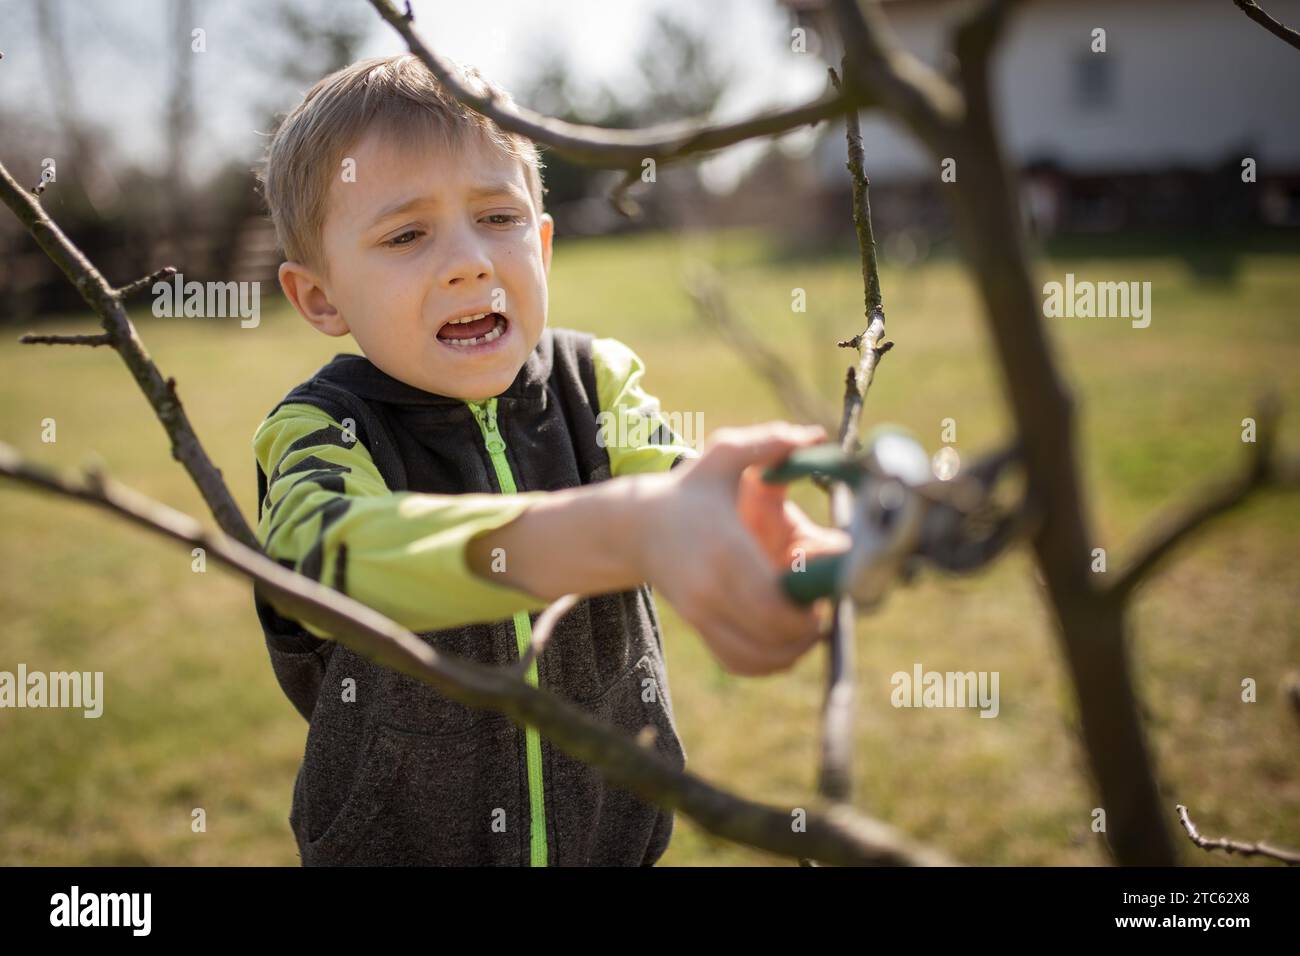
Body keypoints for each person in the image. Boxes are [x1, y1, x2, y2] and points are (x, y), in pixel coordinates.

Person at [252, 53, 846, 866]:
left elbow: (674, 485)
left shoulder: (595, 382)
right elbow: (318, 559)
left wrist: (781, 549)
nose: (470, 261)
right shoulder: (321, 428)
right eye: (406, 233)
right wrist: (606, 532)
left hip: (611, 838)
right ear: (319, 296)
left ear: (543, 241)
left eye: (498, 219)